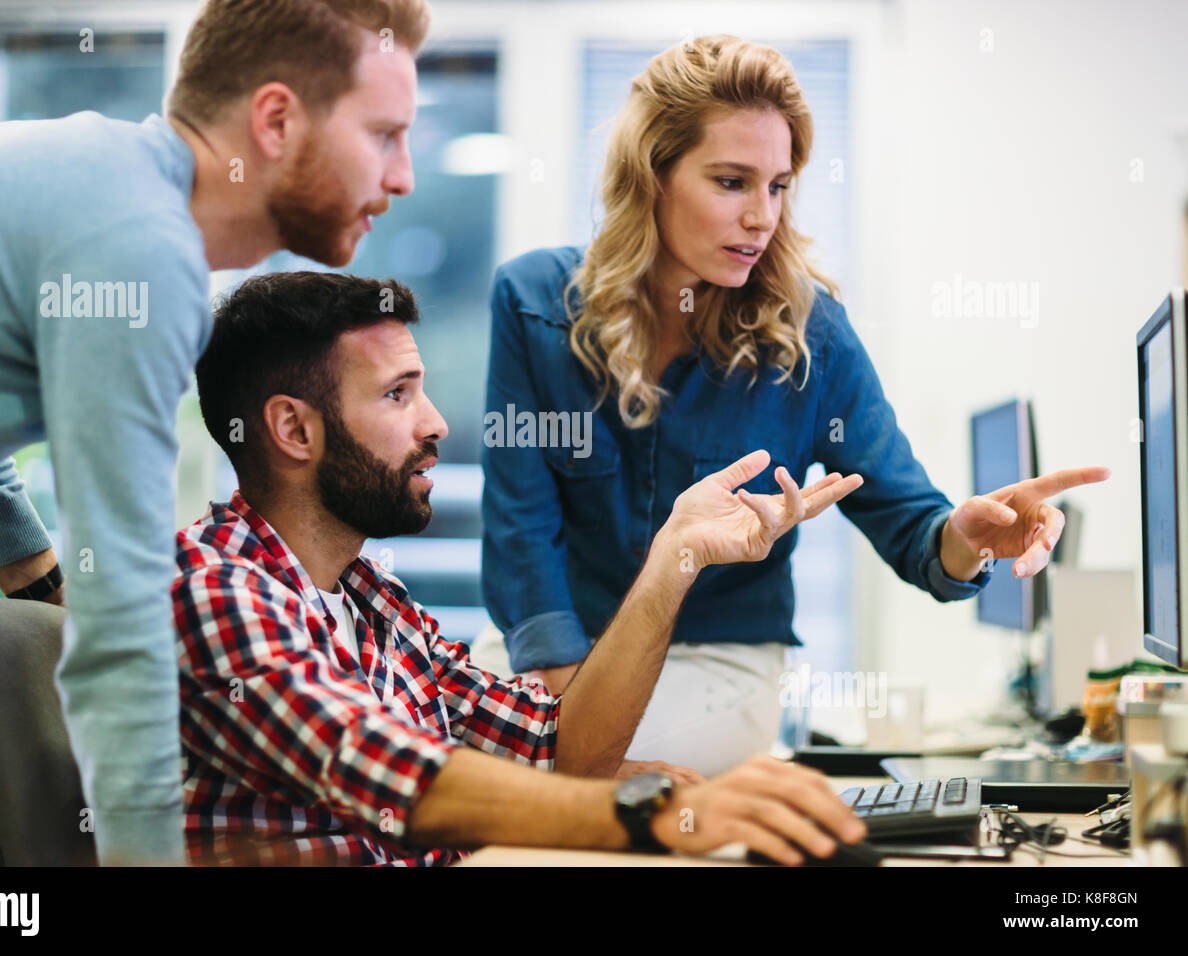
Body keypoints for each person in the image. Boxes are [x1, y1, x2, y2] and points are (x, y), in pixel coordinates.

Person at [0, 0, 429, 864]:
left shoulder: (104, 178)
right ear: (277, 120)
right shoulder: (142, 249)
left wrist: (29, 571)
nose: (402, 176)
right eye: (384, 135)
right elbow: (125, 623)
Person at [477, 35, 1109, 775]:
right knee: (491, 759)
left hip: (717, 663)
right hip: (555, 654)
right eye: (731, 182)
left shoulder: (814, 336)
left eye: (777, 185)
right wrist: (574, 731)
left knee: (532, 774)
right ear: (652, 176)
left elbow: (912, 526)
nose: (761, 216)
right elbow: (521, 533)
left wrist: (969, 536)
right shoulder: (531, 304)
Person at [175, 270, 865, 865]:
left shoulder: (373, 602)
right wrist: (650, 817)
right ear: (294, 430)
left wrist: (675, 556)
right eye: (397, 395)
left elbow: (560, 749)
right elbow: (388, 774)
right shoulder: (207, 591)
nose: (437, 423)